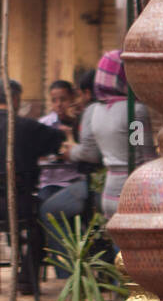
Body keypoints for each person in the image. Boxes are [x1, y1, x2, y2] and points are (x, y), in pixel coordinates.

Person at [0, 78, 64, 292]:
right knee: (42, 222)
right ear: (15, 99)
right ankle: (26, 279)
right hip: (20, 206)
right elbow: (59, 139)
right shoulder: (28, 127)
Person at [66, 51, 156, 218]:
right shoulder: (134, 110)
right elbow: (146, 157)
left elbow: (91, 150)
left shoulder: (94, 111)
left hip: (108, 194)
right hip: (132, 193)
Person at [38, 80, 88, 276]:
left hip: (75, 182)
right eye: (54, 100)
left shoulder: (81, 123)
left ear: (72, 100)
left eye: (63, 100)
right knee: (45, 209)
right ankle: (65, 270)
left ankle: (82, 265)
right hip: (51, 182)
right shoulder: (43, 125)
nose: (59, 105)